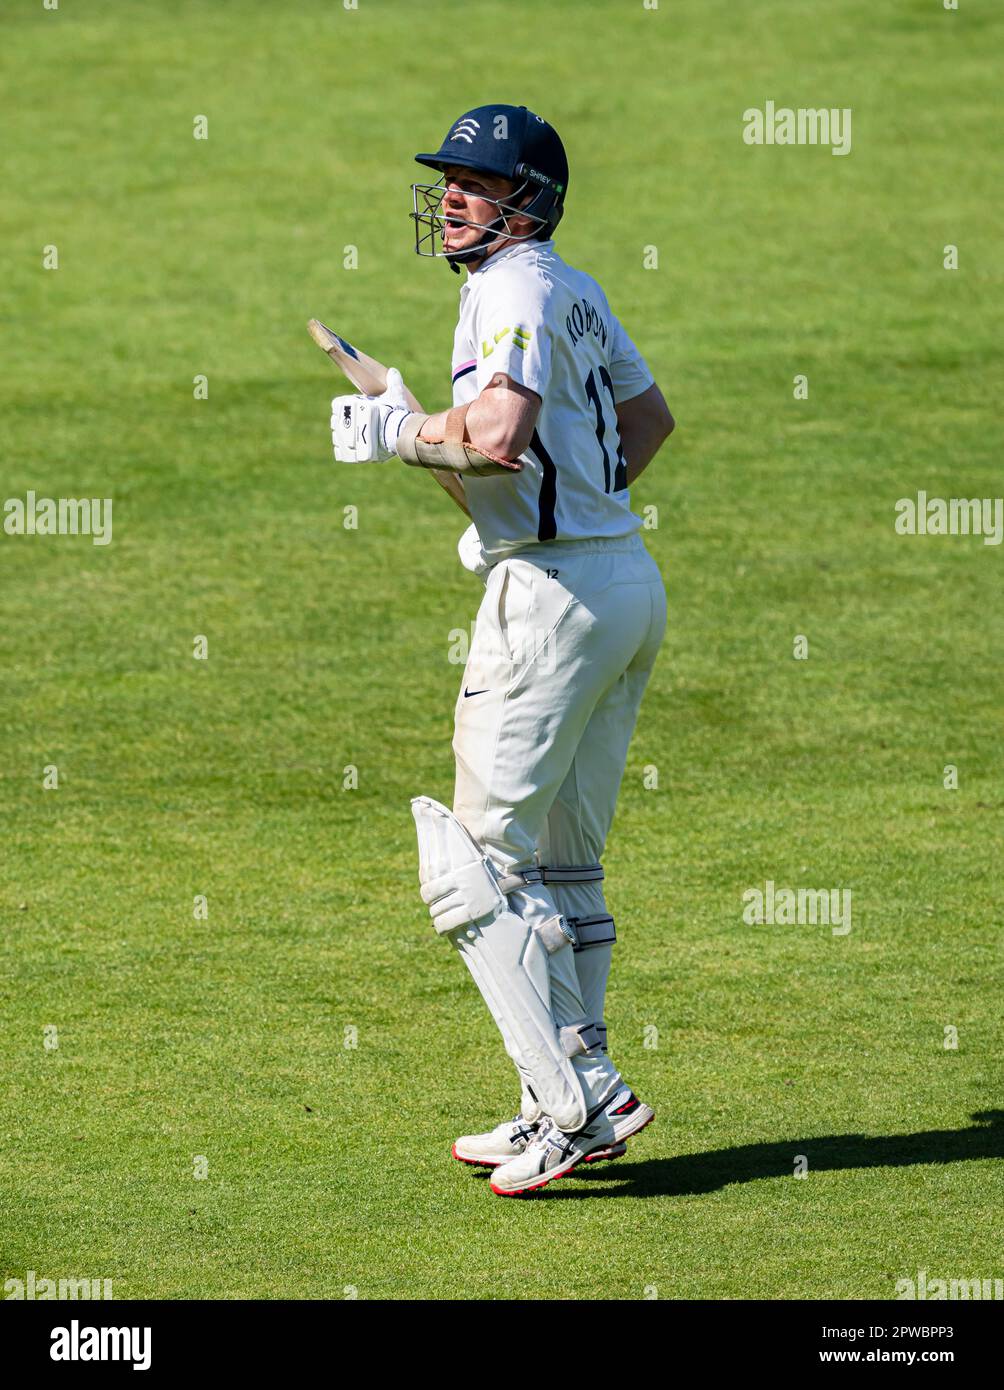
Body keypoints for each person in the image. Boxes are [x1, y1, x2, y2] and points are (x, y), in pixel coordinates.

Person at [330, 104, 674, 1196]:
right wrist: (533, 493)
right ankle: (559, 1101)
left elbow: (496, 437)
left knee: (474, 862)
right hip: (620, 583)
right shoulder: (572, 289)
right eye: (447, 182)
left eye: (474, 185)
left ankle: (577, 1097)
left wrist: (399, 432)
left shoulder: (509, 288)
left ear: (526, 202)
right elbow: (647, 421)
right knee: (563, 860)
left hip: (550, 601)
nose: (451, 202)